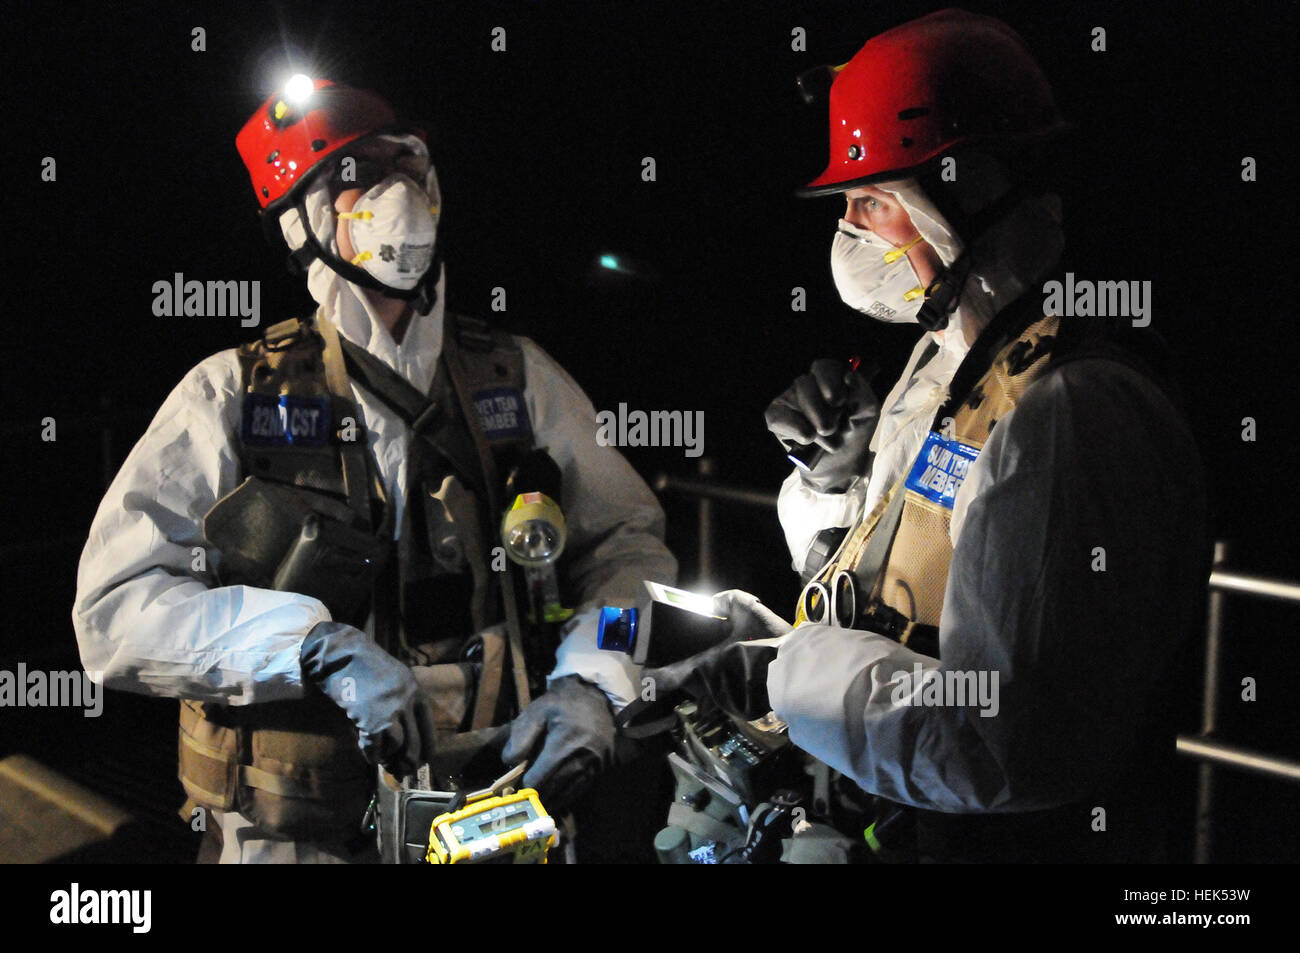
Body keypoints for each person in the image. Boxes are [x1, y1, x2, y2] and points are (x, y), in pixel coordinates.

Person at [71, 76, 676, 863]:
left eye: (404, 166)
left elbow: (629, 546)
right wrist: (310, 647)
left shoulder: (517, 377)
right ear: (301, 224)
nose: (391, 194)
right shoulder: (230, 393)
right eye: (352, 175)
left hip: (499, 799)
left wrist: (594, 680)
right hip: (300, 828)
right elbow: (114, 610)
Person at [659, 9, 1209, 863]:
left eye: (872, 199)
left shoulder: (1070, 412)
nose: (849, 230)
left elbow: (1005, 743)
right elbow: (897, 579)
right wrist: (836, 482)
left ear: (965, 192)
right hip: (897, 817)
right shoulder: (951, 362)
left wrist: (785, 672)